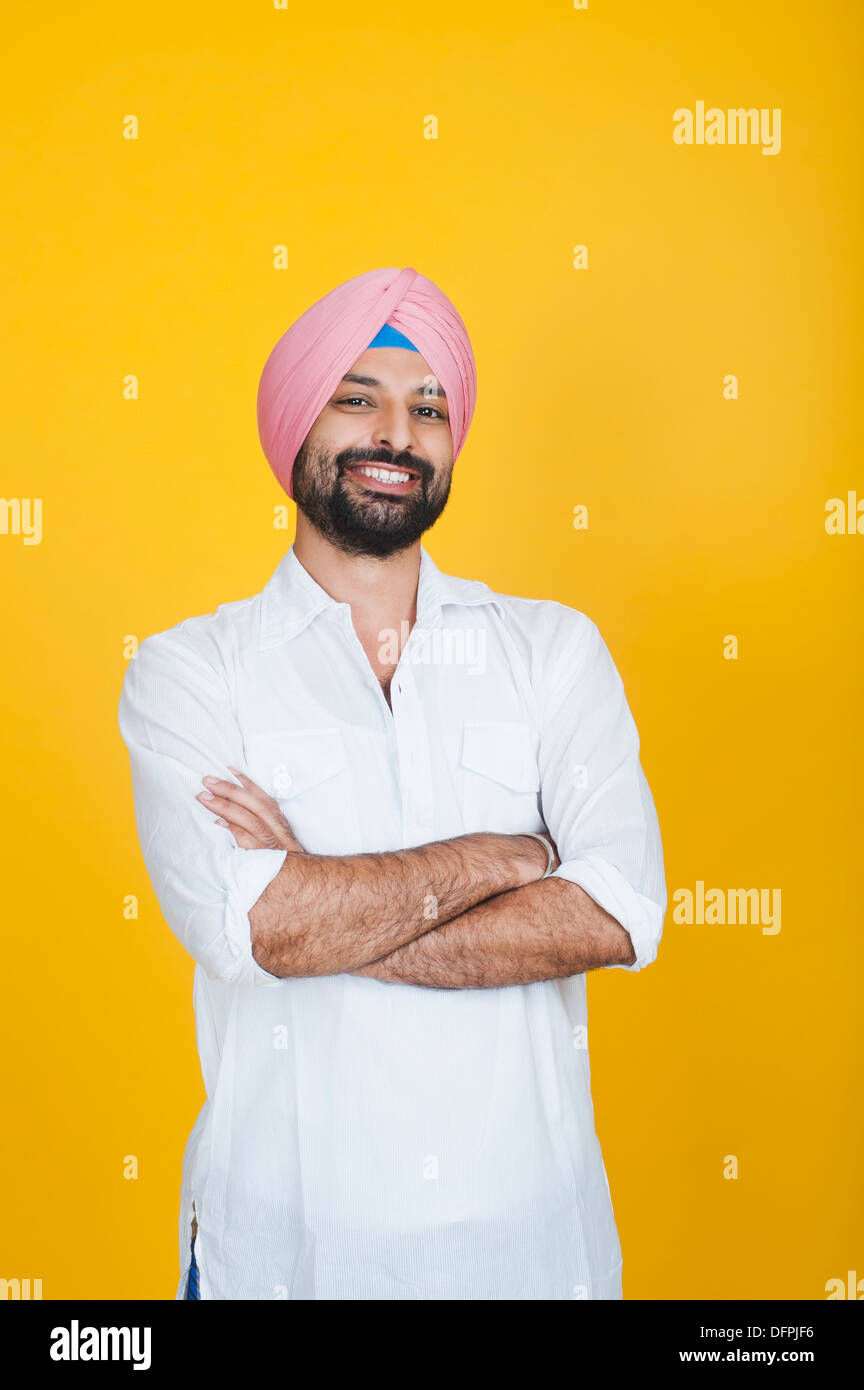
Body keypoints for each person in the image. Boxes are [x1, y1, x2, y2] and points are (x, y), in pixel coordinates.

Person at [118, 265, 667, 1301]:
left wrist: (326, 893)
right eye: (355, 396)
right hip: (280, 1257)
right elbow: (258, 932)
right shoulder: (192, 671)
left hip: (533, 1254)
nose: (397, 435)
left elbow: (620, 913)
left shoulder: (552, 650)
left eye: (429, 408)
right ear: (296, 426)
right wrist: (507, 857)